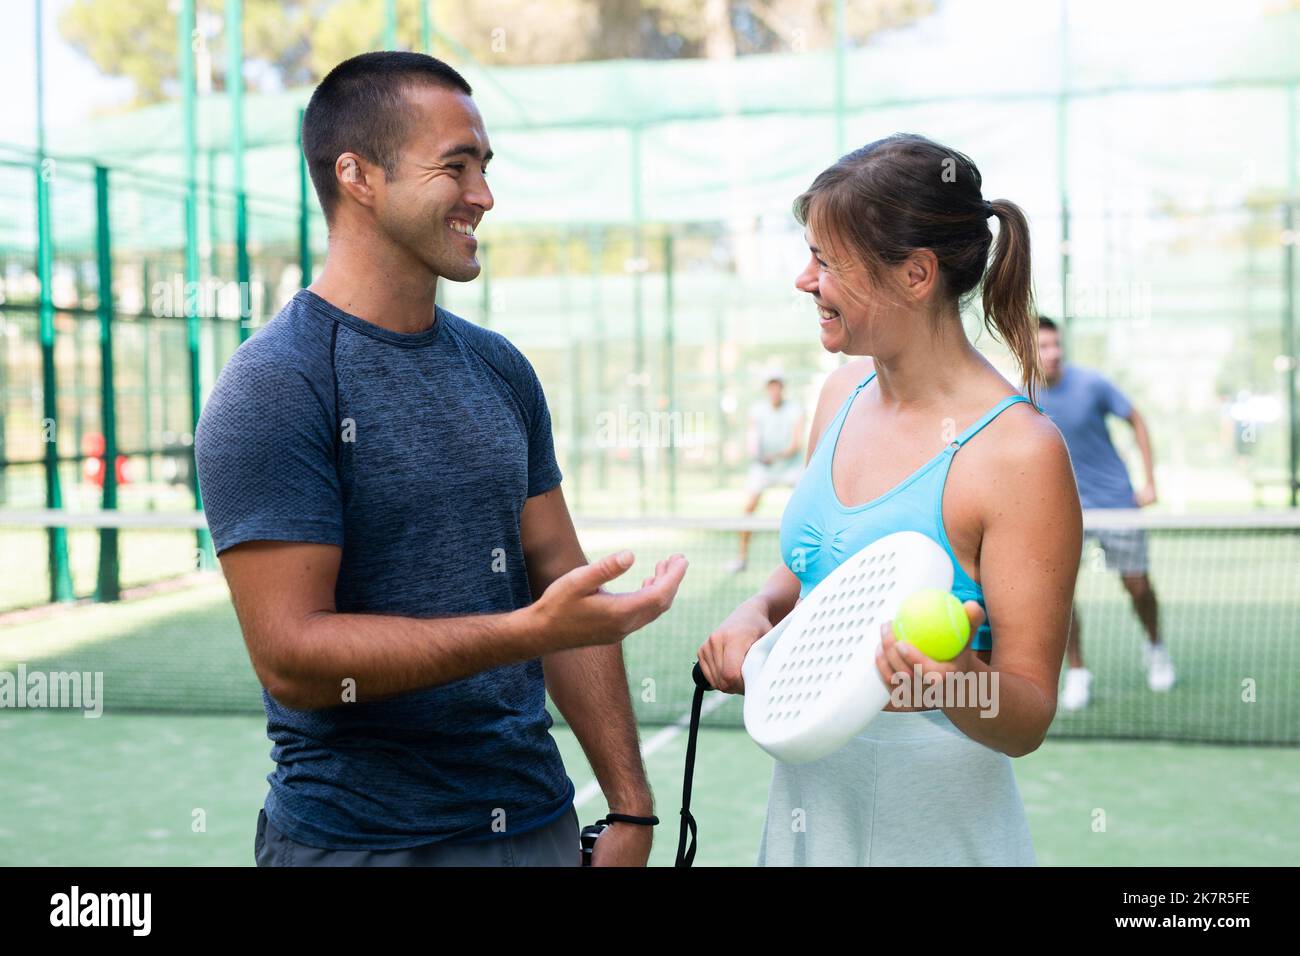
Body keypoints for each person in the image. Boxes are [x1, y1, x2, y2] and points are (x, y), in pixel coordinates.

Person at [194, 52, 687, 867]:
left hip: (540, 826)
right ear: (358, 176)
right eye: (455, 167)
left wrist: (630, 812)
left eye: (485, 168)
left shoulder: (499, 369)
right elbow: (292, 656)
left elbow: (562, 579)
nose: (484, 196)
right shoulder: (276, 385)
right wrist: (523, 631)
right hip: (363, 848)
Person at [697, 134, 1082, 866]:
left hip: (934, 831)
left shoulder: (1019, 454)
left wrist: (954, 684)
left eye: (826, 261)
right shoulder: (839, 393)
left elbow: (1027, 712)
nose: (804, 280)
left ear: (915, 275)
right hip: (806, 816)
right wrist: (757, 612)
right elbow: (814, 570)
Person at [1036, 316, 1173, 709]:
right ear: (1028, 350)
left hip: (1115, 502)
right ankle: (1078, 672)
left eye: (1056, 344)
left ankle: (1155, 647)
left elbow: (1137, 419)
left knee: (1138, 586)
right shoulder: (1021, 395)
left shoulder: (1092, 384)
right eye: (1044, 346)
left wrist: (1149, 482)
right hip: (1062, 511)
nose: (1054, 353)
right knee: (1059, 596)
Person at [728, 376, 805, 573]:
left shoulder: (795, 409)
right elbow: (752, 437)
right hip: (763, 468)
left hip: (790, 466)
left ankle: (805, 561)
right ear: (766, 389)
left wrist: (776, 455)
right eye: (771, 387)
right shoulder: (757, 410)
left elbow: (796, 444)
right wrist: (757, 454)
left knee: (804, 512)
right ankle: (741, 558)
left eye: (778, 386)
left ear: (782, 388)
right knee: (749, 509)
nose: (775, 391)